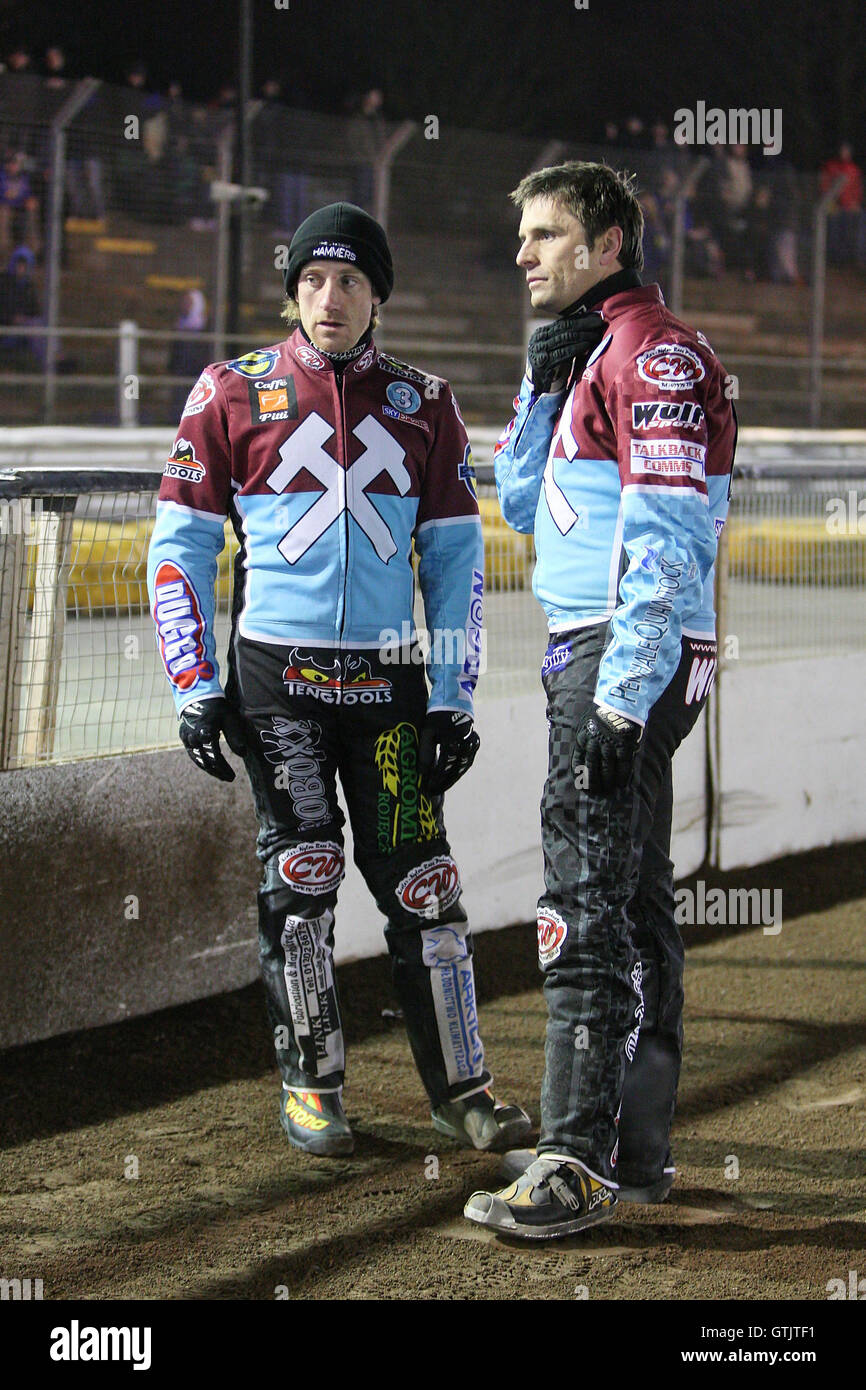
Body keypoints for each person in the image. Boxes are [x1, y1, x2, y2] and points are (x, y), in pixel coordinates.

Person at [146, 202, 530, 1159]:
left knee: (425, 887)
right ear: (291, 291)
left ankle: (463, 1090)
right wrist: (194, 682)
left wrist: (453, 695)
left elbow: (454, 564)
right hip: (279, 684)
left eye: (351, 280)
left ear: (378, 295)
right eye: (313, 280)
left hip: (393, 686)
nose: (330, 298)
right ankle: (311, 1087)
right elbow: (180, 547)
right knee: (301, 876)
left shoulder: (426, 403)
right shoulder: (228, 392)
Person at [463, 161, 736, 1239]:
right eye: (522, 233)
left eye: (545, 233)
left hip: (627, 652)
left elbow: (670, 541)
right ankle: (632, 1147)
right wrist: (539, 386)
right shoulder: (586, 353)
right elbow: (521, 504)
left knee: (581, 898)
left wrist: (620, 701)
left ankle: (572, 1156)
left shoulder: (655, 351)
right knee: (632, 898)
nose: (523, 252)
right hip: (603, 648)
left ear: (608, 242)